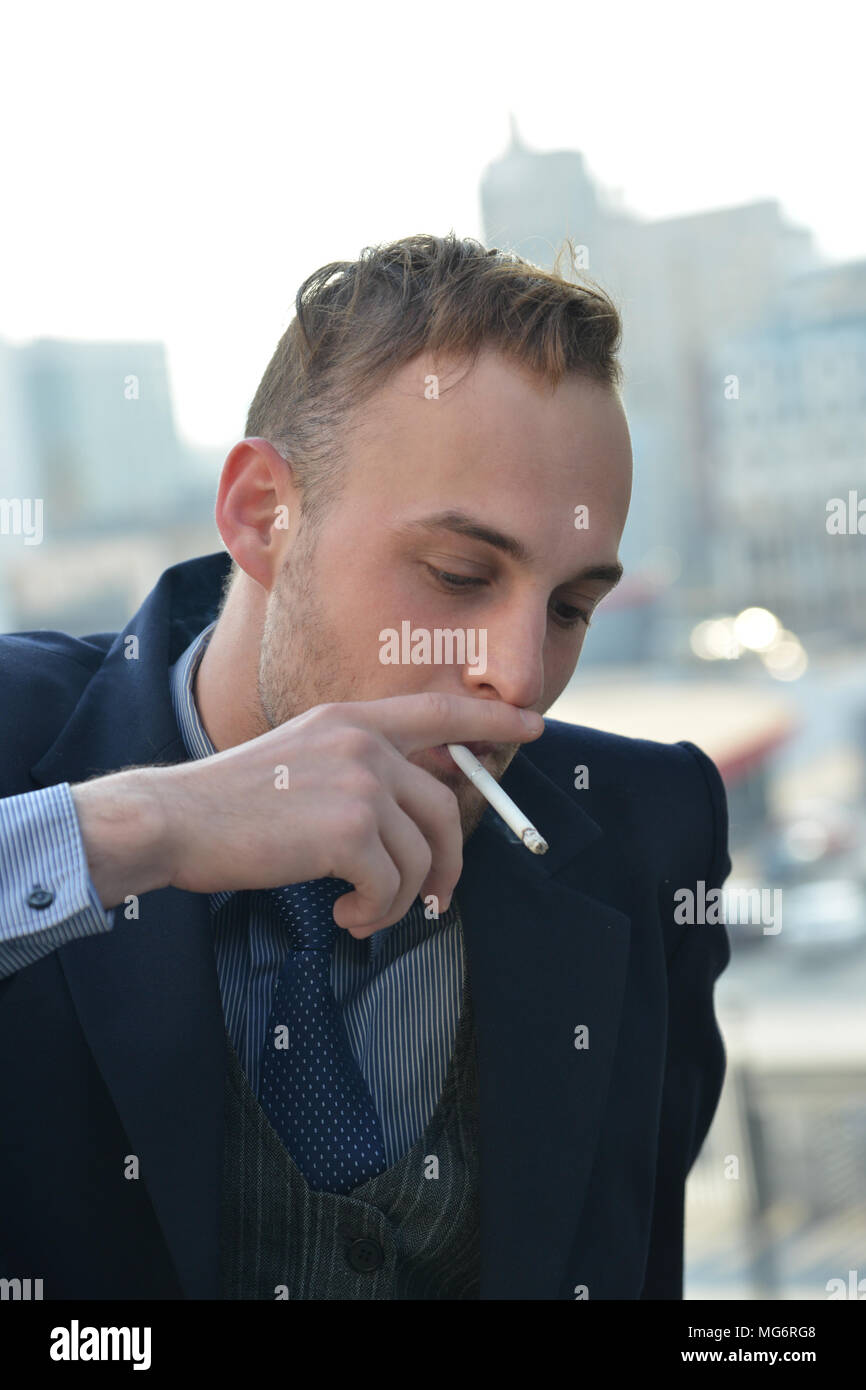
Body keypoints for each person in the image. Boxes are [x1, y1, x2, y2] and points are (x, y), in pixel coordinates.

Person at [0, 233, 730, 1300]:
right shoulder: (21, 735)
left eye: (570, 607)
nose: (517, 677)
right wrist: (136, 830)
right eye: (457, 572)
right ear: (262, 514)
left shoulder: (642, 827)